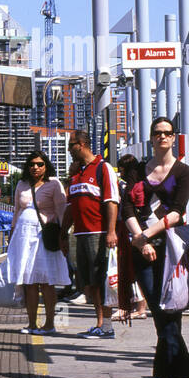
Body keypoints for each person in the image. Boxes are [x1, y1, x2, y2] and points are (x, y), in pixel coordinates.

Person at [120, 117, 189, 378]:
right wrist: (140, 241)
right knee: (157, 309)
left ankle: (176, 374)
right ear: (151, 138)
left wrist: (145, 235)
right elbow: (127, 206)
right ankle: (170, 374)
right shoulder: (138, 171)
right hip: (143, 248)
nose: (162, 137)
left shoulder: (183, 171)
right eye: (157, 133)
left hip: (173, 248)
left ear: (173, 138)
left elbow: (177, 211)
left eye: (167, 133)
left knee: (172, 310)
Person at [61, 130, 120, 338]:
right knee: (90, 283)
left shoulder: (103, 169)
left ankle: (107, 326)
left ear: (82, 145)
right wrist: (63, 234)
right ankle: (100, 323)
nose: (69, 150)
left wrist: (111, 232)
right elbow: (70, 207)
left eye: (71, 145)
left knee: (102, 280)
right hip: (80, 234)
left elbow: (111, 201)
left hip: (99, 233)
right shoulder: (76, 173)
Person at [4, 149, 71, 333]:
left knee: (47, 281)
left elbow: (61, 211)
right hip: (23, 237)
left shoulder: (54, 184)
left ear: (46, 166)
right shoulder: (21, 184)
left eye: (40, 164)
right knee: (29, 280)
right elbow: (16, 211)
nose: (35, 167)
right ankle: (32, 323)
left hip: (45, 236)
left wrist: (63, 235)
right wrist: (11, 236)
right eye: (32, 164)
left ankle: (49, 324)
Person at [113, 155, 151, 324]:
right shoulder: (142, 181)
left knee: (133, 271)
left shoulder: (128, 185)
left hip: (131, 230)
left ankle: (140, 308)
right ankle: (140, 307)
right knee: (137, 271)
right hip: (141, 228)